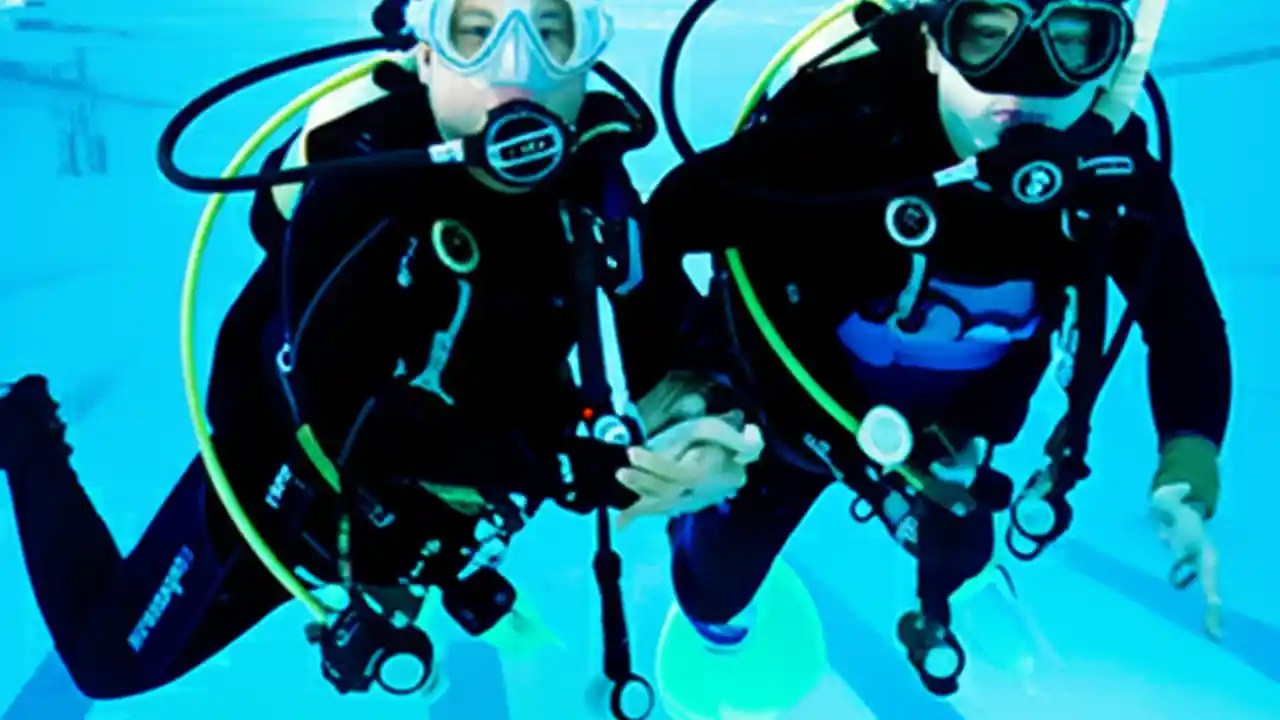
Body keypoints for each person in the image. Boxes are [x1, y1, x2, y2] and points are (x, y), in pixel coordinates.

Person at [0, 0, 759, 703]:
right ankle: (21, 431)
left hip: (443, 508)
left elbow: (679, 350)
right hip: (285, 488)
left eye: (553, 30)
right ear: (425, 53)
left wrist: (706, 428)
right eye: (475, 30)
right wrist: (560, 465)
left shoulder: (594, 187)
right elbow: (347, 422)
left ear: (588, 54)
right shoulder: (362, 172)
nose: (516, 64)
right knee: (110, 664)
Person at [643, 0, 1230, 698]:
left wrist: (1187, 460)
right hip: (791, 415)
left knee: (960, 538)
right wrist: (673, 392)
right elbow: (664, 222)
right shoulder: (842, 127)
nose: (1027, 81)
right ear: (930, 42)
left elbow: (1183, 316)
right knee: (714, 589)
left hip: (950, 434)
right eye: (986, 35)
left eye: (1074, 42)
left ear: (1112, 66)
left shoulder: (1111, 174)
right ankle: (719, 631)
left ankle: (957, 592)